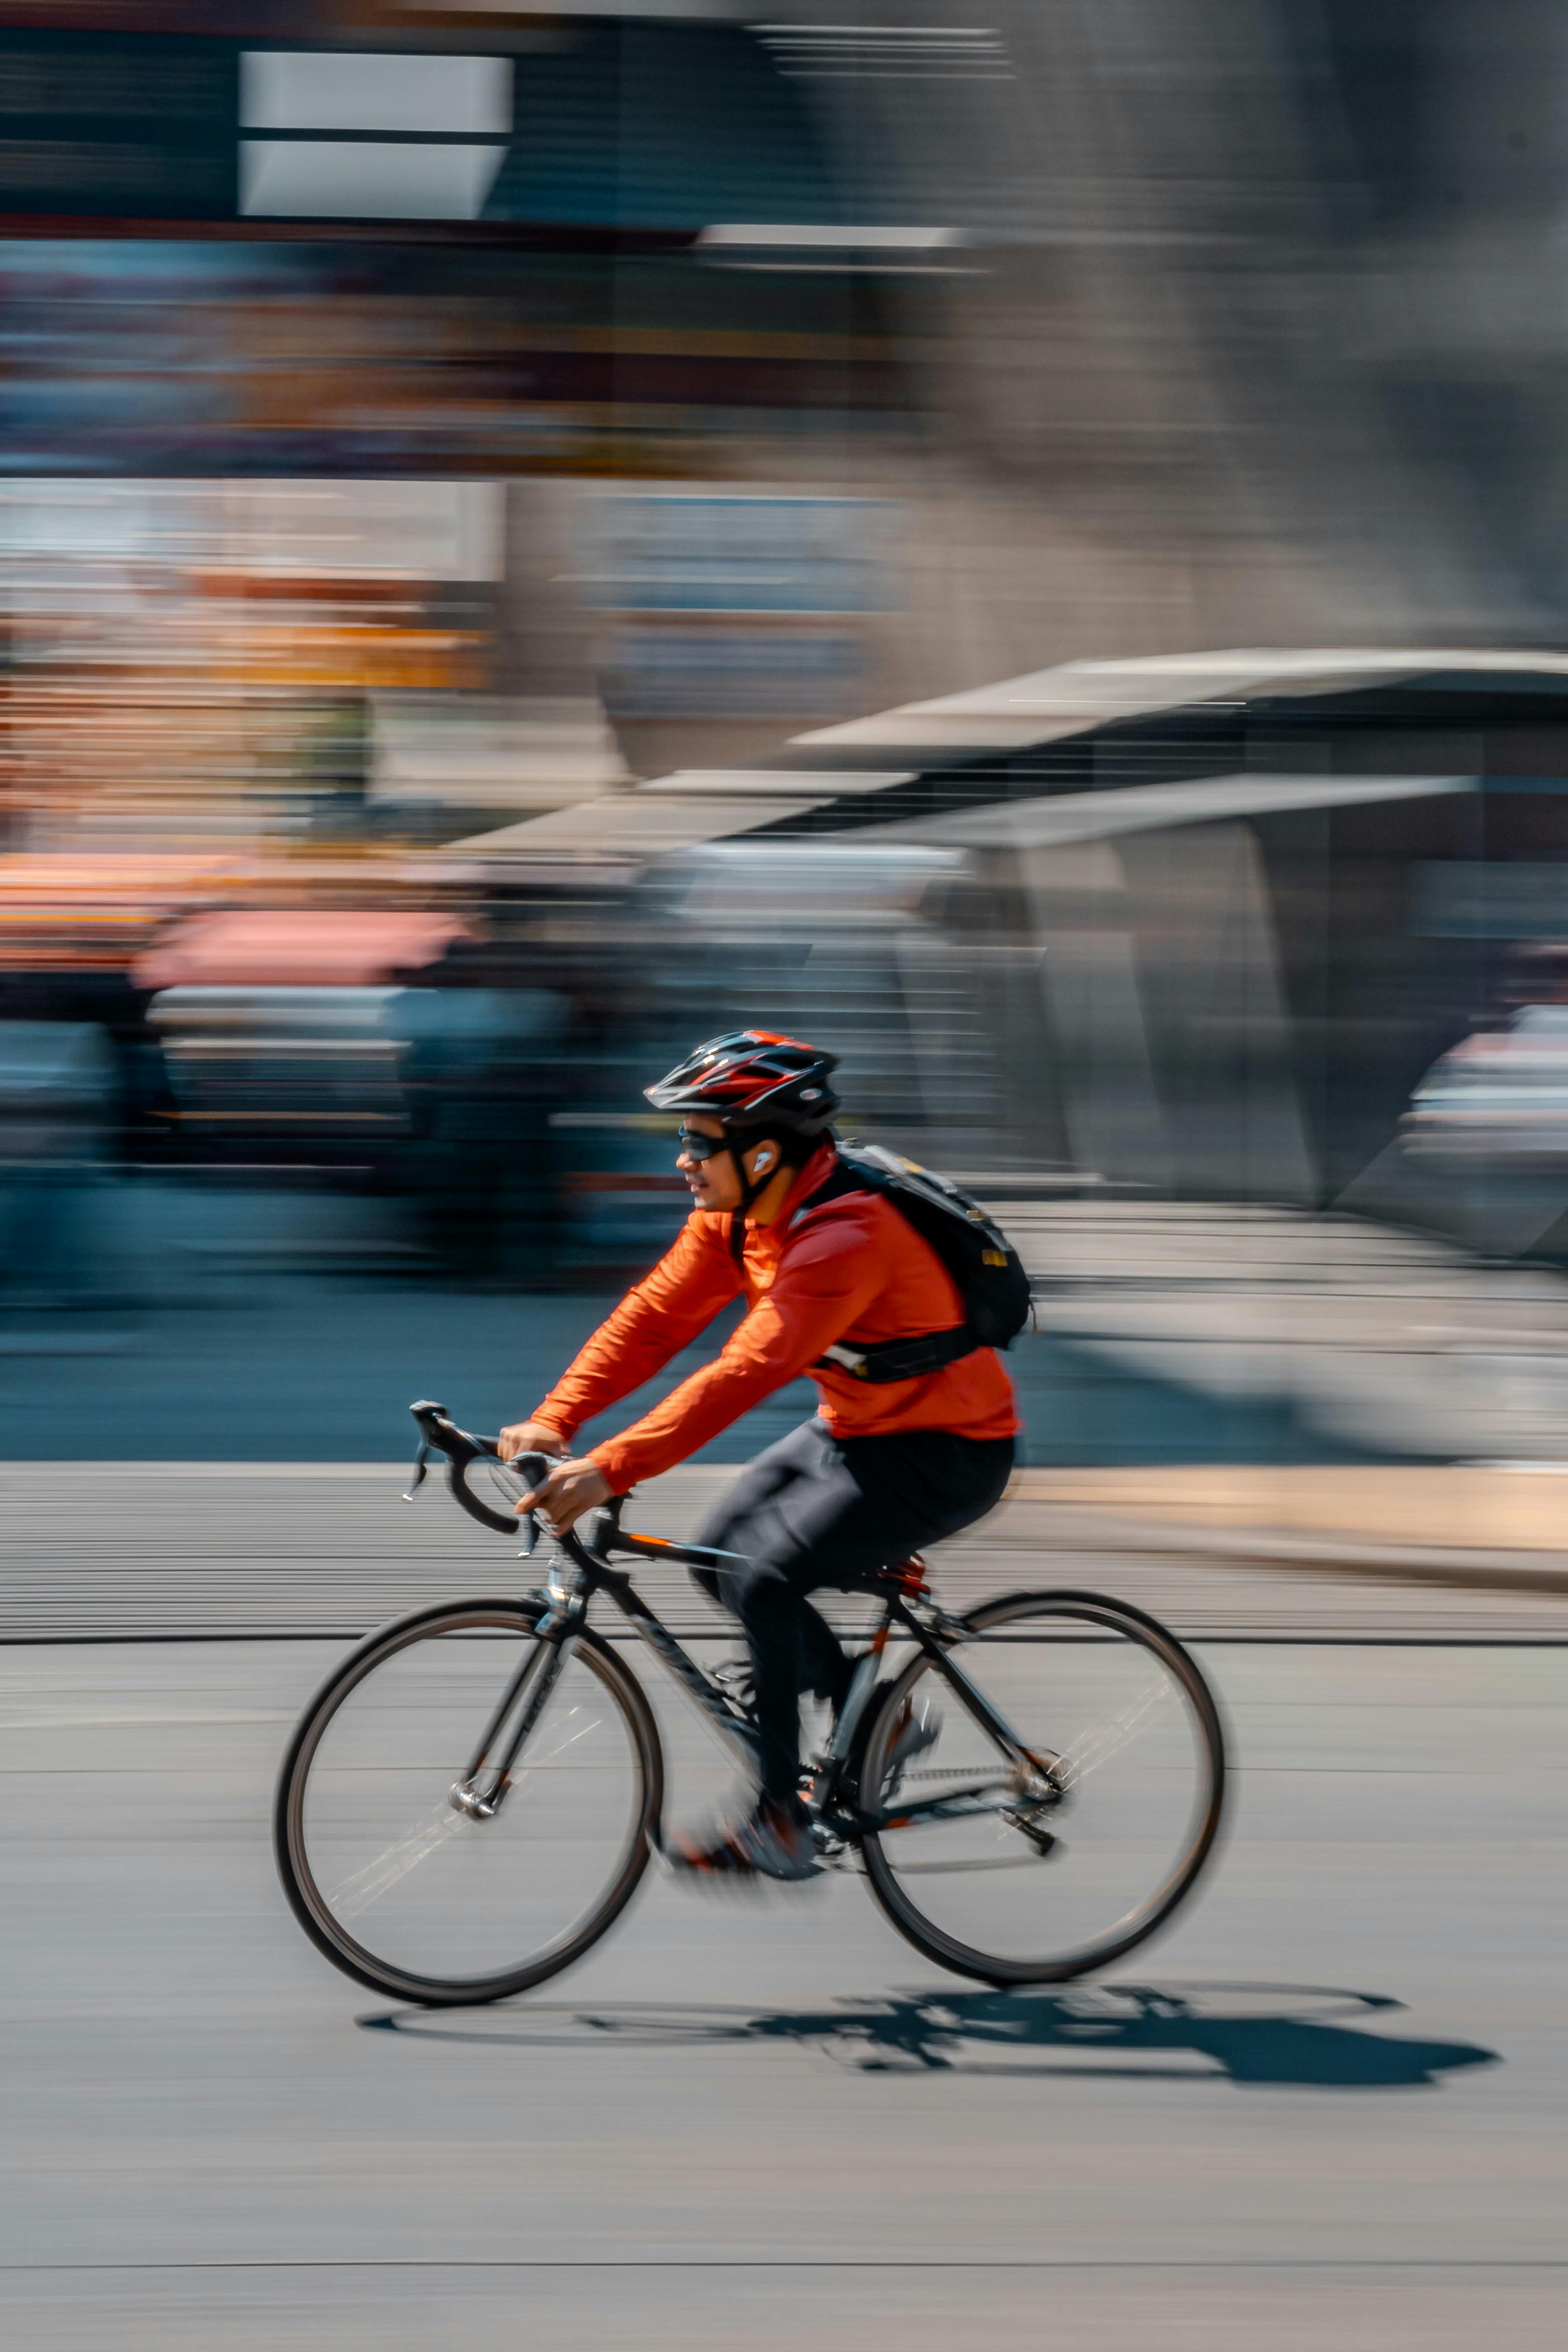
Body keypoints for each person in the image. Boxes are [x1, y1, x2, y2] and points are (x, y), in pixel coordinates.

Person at [499, 1029, 1019, 1882]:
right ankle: (875, 1714)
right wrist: (557, 1418)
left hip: (948, 1451)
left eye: (699, 1142)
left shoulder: (847, 1234)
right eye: (684, 1141)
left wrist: (610, 1467)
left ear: (766, 1150)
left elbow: (746, 1370)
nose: (682, 1162)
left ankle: (780, 1822)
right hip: (856, 1430)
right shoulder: (740, 1217)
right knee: (717, 1561)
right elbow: (656, 1319)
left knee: (765, 1581)